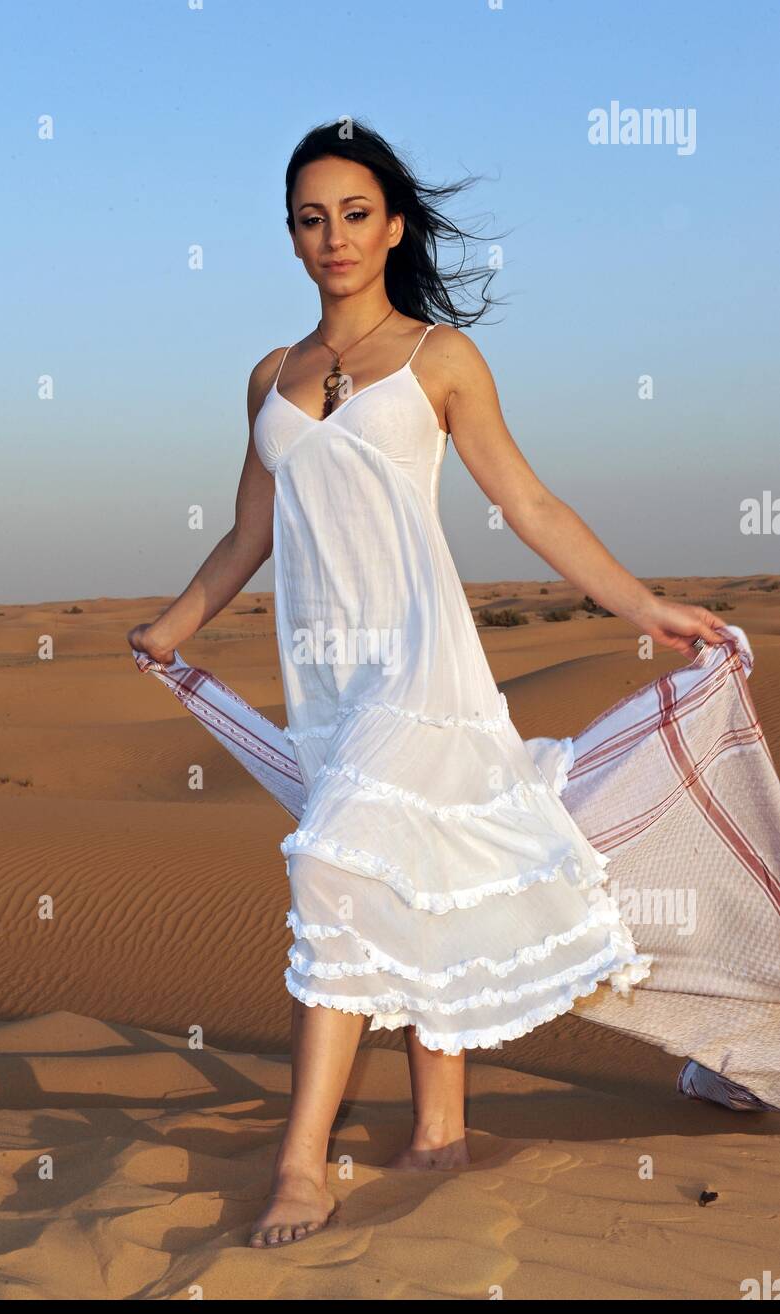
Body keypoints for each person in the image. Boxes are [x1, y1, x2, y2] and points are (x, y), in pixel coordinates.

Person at [127, 120, 727, 1249]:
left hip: (421, 661)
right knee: (419, 875)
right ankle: (439, 1133)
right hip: (329, 679)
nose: (334, 235)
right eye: (311, 217)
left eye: (355, 213)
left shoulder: (439, 357)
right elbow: (249, 532)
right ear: (292, 236)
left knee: (341, 870)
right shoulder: (271, 375)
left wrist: (644, 608)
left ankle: (300, 1166)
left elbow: (531, 504)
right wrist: (174, 621)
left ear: (393, 225)